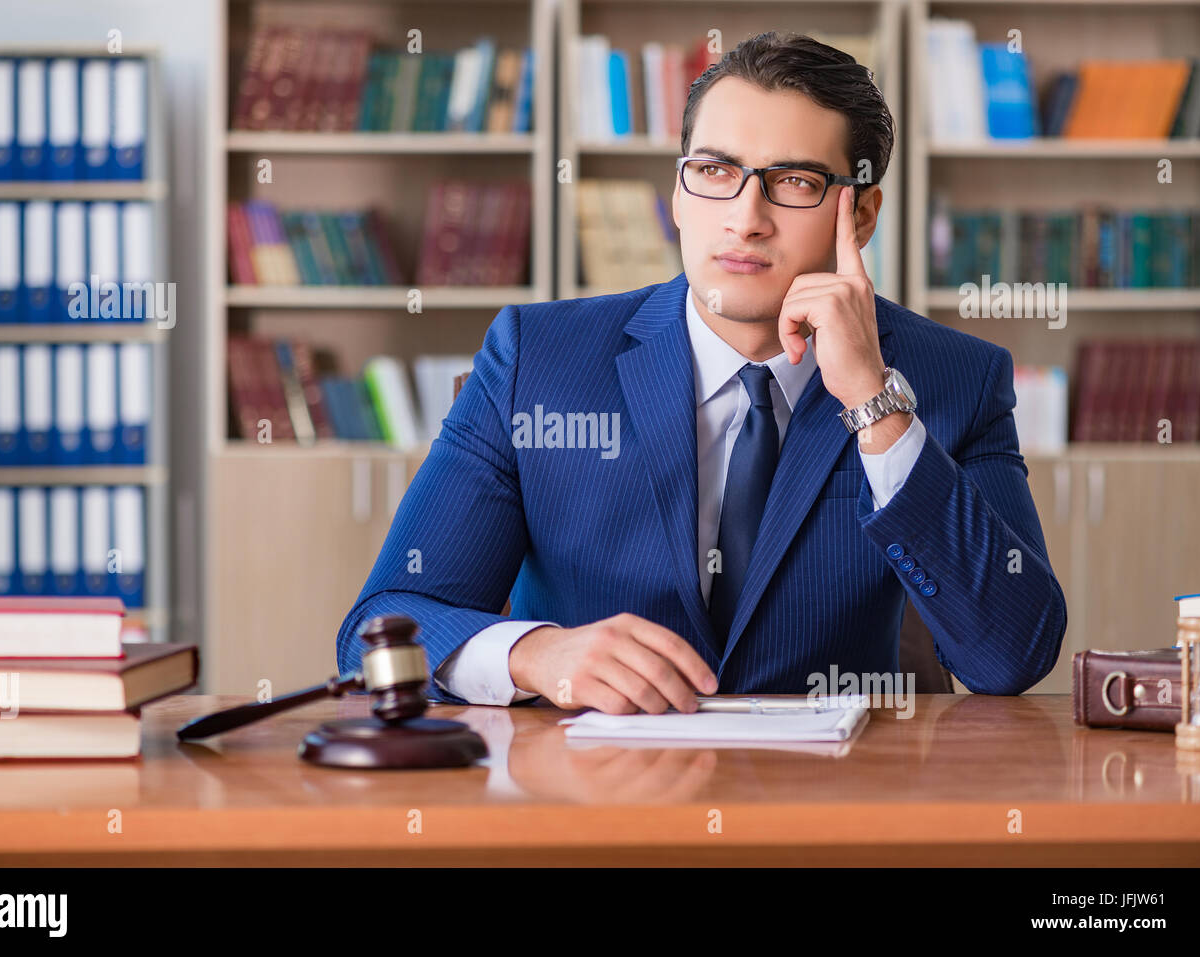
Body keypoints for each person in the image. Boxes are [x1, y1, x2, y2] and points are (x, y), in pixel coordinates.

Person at [337, 32, 1067, 713]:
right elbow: (381, 626)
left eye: (795, 182)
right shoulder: (537, 359)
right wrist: (538, 653)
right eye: (715, 172)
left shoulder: (956, 379)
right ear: (680, 195)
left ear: (863, 214)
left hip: (829, 809)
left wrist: (875, 402)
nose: (745, 218)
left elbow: (1012, 655)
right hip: (589, 805)